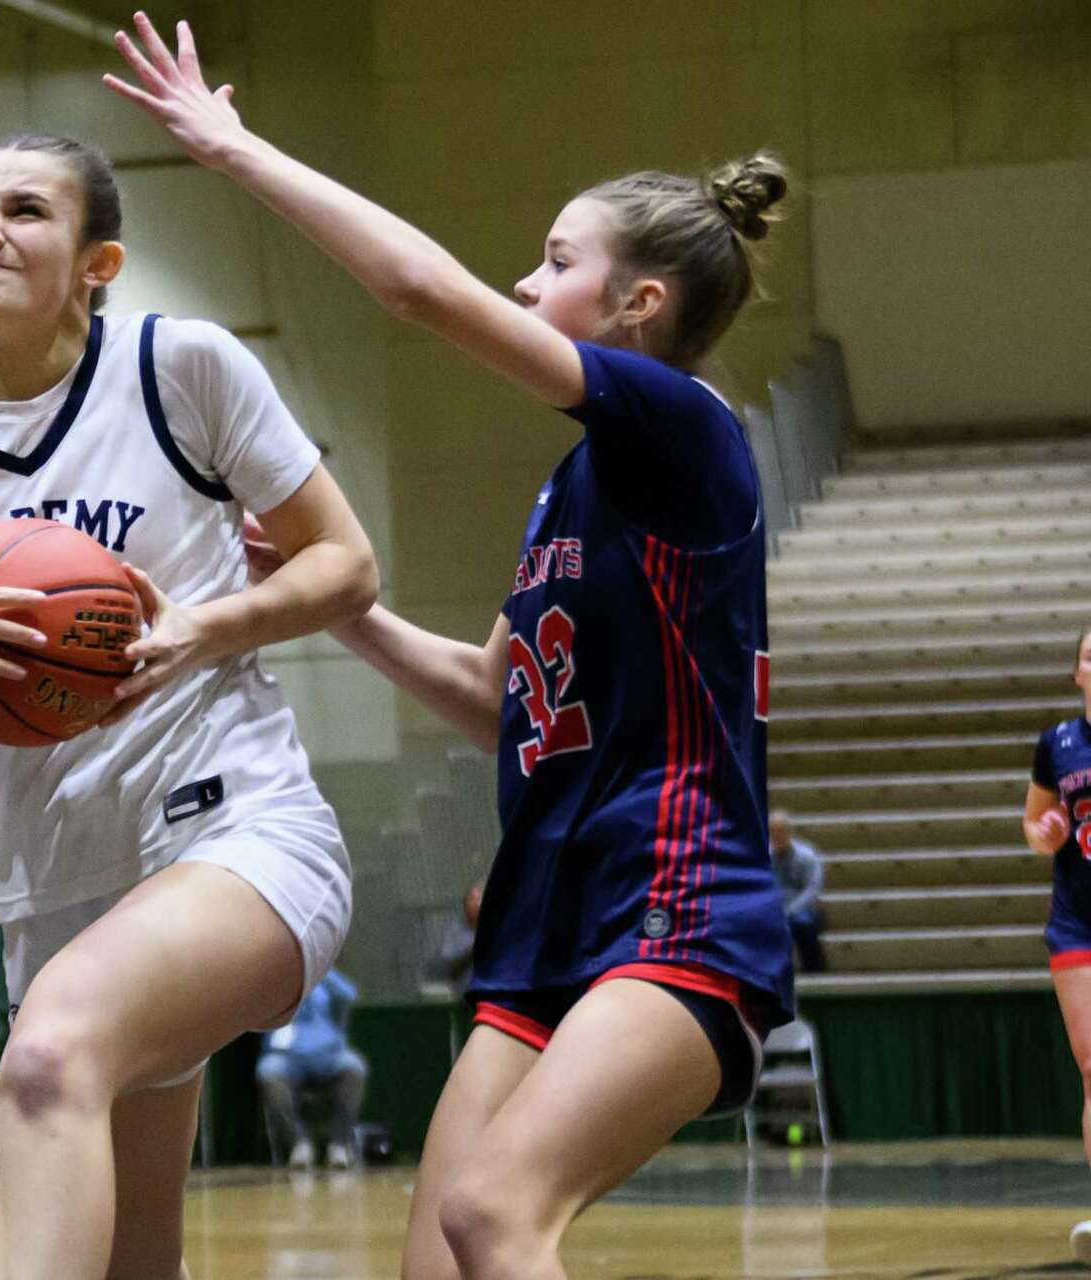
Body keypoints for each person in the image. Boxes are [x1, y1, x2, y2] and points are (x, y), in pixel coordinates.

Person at [104, 16, 795, 1278]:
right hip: (547, 917)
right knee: (438, 1258)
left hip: (673, 901)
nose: (527, 284)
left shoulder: (683, 428)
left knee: (494, 1214)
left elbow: (421, 292)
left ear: (639, 301)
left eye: (552, 260)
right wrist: (339, 607)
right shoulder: (578, 485)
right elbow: (494, 697)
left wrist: (238, 149)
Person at [0, 117, 376, 1275]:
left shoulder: (182, 368)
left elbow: (345, 564)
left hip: (238, 825)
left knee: (43, 1056)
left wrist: (202, 623)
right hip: (54, 874)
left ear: (98, 264)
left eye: (25, 210)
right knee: (135, 1257)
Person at [1021, 625, 1091, 1262]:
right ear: (1078, 671)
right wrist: (1044, 831)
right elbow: (1035, 822)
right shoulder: (1059, 744)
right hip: (1078, 923)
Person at [255, 968, 366, 1171]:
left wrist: (317, 969)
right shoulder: (274, 981)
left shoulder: (324, 981)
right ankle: (299, 1143)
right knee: (268, 1072)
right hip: (285, 1058)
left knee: (353, 1067)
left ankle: (339, 1144)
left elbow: (349, 994)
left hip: (328, 1056)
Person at [768, 810, 826, 973]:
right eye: (773, 832)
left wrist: (791, 910)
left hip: (802, 909)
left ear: (789, 832)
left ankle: (815, 973)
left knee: (804, 925)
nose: (778, 835)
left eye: (781, 831)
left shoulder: (807, 856)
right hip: (773, 909)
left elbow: (813, 889)